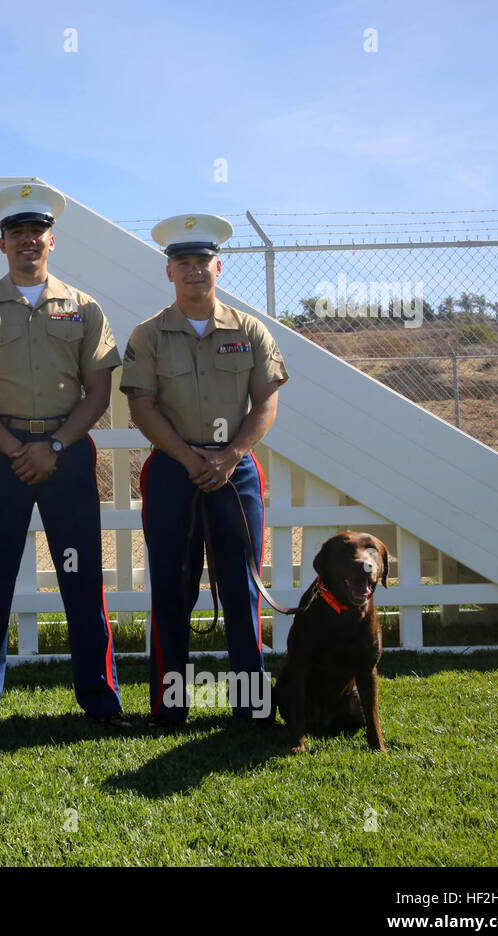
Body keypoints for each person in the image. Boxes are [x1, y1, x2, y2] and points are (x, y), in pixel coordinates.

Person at [0, 183, 128, 733]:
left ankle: (100, 700)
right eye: (15, 233)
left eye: (36, 232)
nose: (27, 240)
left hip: (65, 453)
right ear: (0, 243)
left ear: (53, 239)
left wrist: (51, 448)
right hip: (2, 457)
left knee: (81, 580)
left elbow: (98, 391)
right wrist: (16, 450)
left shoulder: (84, 307)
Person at [121, 213, 288, 728]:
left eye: (202, 263)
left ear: (219, 267)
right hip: (173, 468)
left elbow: (266, 402)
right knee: (172, 588)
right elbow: (142, 406)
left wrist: (231, 454)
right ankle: (170, 707)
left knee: (241, 587)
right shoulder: (148, 336)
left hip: (234, 469)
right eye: (183, 263)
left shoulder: (250, 330)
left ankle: (251, 706)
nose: (194, 271)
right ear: (168, 272)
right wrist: (191, 458)